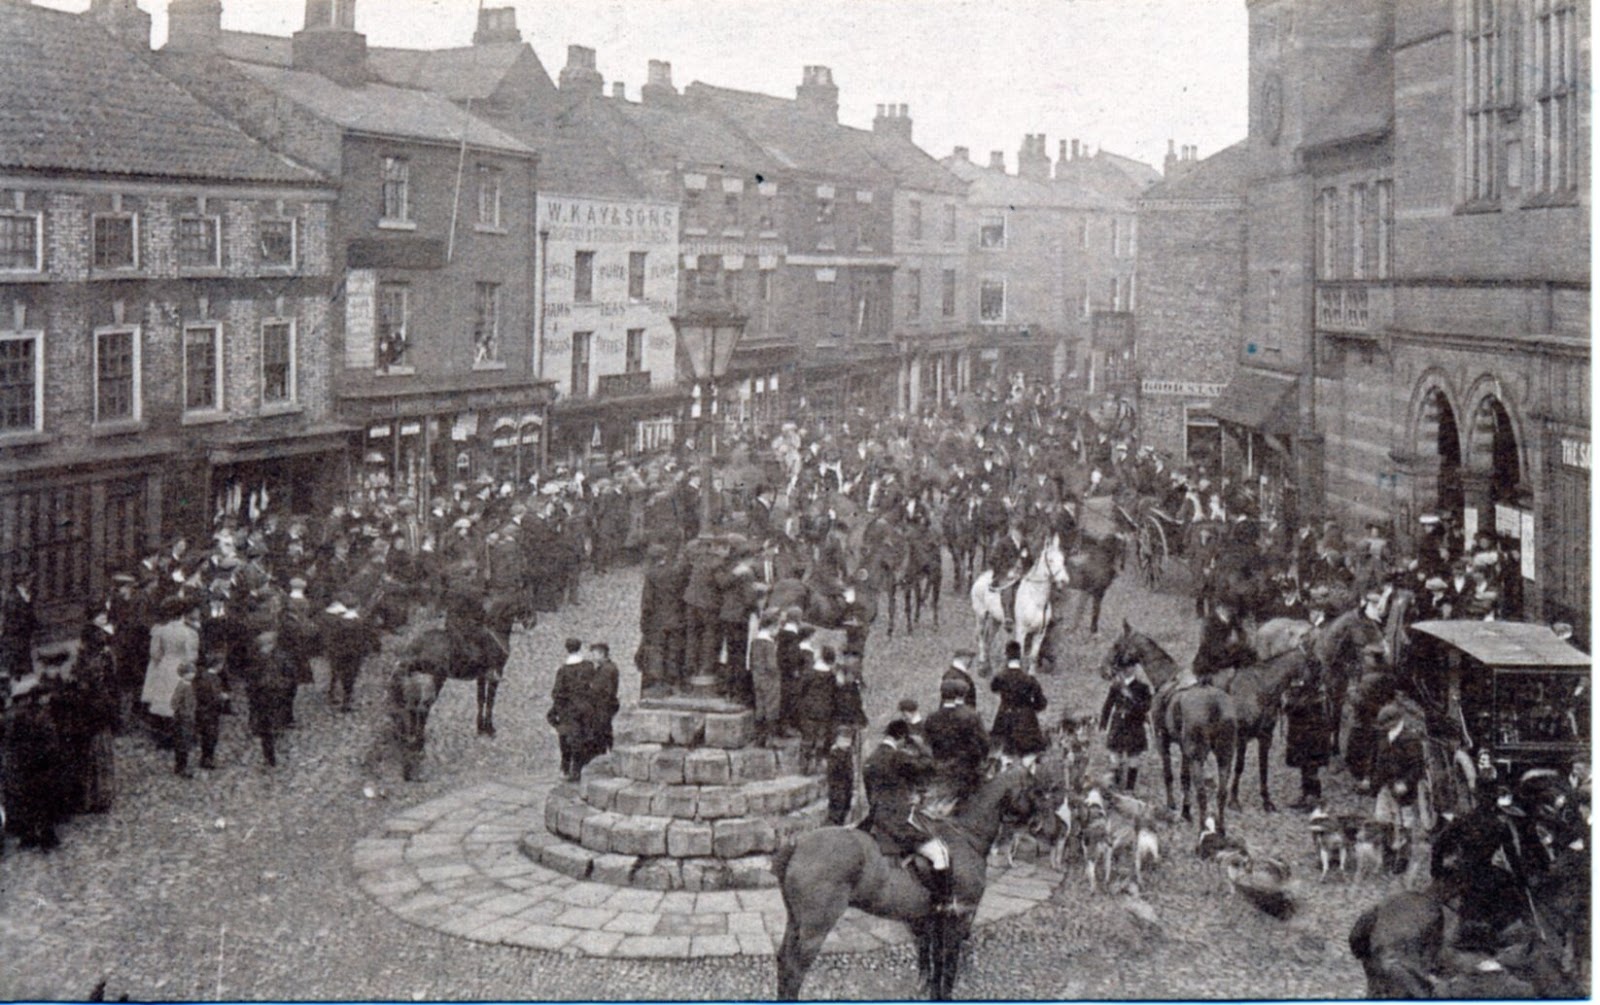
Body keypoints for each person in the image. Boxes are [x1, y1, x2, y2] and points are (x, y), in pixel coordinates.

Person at [860, 719, 946, 903]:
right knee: (939, 854)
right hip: (898, 819)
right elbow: (929, 768)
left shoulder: (871, 759)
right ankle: (941, 903)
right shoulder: (898, 757)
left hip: (876, 817)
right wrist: (920, 746)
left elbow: (870, 794)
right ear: (901, 738)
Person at [1371, 702, 1431, 874]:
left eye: (1386, 724)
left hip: (1403, 789)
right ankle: (1388, 855)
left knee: (1404, 823)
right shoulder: (1383, 736)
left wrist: (1406, 783)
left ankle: (1403, 859)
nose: (1383, 727)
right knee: (1383, 820)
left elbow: (1417, 767)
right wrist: (1372, 779)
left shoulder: (1410, 739)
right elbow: (1376, 760)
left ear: (1396, 720)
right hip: (1385, 785)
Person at [923, 677, 990, 802]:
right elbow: (983, 741)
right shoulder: (970, 715)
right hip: (966, 767)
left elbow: (927, 742)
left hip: (941, 765)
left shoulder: (932, 717)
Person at [143, 599, 199, 742]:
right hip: (182, 667)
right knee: (181, 699)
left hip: (165, 666)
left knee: (164, 699)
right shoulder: (189, 632)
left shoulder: (161, 631)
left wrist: (166, 658)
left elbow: (154, 653)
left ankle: (164, 734)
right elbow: (191, 655)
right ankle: (181, 735)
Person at [638, 544, 687, 697]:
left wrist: (644, 622)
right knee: (673, 651)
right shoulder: (675, 572)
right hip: (676, 618)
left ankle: (659, 684)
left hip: (657, 621)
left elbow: (647, 602)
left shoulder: (651, 575)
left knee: (658, 651)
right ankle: (673, 682)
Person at [1099, 655, 1153, 793]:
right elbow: (1108, 706)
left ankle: (1129, 789)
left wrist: (1131, 698)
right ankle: (1115, 788)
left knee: (1133, 758)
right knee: (1115, 758)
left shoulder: (1143, 688)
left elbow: (1146, 707)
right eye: (1124, 667)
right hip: (1118, 725)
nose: (1126, 670)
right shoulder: (1116, 687)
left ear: (1134, 668)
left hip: (1134, 725)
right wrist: (1103, 724)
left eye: (1129, 667)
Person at [244, 630, 297, 768]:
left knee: (271, 724)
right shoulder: (257, 659)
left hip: (275, 695)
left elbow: (290, 675)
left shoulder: (279, 657)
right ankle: (270, 755)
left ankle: (273, 749)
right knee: (266, 726)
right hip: (263, 696)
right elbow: (250, 679)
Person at [990, 641, 1049, 763]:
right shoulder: (1029, 679)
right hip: (1026, 720)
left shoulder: (1000, 677)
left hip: (1004, 717)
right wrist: (1031, 708)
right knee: (1028, 756)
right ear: (1020, 657)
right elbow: (1041, 703)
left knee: (1005, 754)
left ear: (1006, 657)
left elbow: (993, 688)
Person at [548, 638, 594, 782]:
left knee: (567, 738)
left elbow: (557, 693)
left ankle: (568, 769)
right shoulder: (588, 666)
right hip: (586, 708)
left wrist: (557, 708)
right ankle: (580, 769)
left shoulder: (563, 670)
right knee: (584, 737)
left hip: (569, 710)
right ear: (580, 648)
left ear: (567, 649)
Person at [1189, 598, 1253, 687]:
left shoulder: (1233, 619)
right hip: (1211, 664)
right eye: (1229, 610)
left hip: (1230, 657)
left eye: (1233, 610)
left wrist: (1242, 647)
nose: (1232, 612)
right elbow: (1215, 650)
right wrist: (1234, 653)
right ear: (1220, 607)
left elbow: (1243, 636)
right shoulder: (1210, 623)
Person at [796, 645, 839, 774]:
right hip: (825, 710)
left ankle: (805, 766)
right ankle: (818, 763)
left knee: (808, 737)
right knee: (821, 737)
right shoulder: (831, 676)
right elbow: (833, 693)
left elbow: (801, 689)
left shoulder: (810, 673)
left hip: (809, 709)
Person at [748, 610, 781, 746]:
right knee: (771, 707)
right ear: (772, 626)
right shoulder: (769, 644)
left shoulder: (755, 642)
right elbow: (772, 665)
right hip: (770, 679)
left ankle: (759, 737)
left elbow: (751, 660)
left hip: (757, 677)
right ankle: (770, 738)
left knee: (760, 706)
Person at [193, 652, 226, 771]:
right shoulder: (214, 679)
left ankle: (205, 757)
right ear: (218, 665)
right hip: (210, 711)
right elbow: (213, 696)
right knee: (211, 736)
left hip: (202, 710)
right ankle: (207, 758)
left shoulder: (202, 677)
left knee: (207, 735)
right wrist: (222, 697)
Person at [589, 641, 621, 754]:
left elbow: (603, 690)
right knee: (606, 732)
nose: (593, 656)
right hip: (604, 706)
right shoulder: (607, 668)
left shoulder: (606, 670)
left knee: (602, 734)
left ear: (602, 653)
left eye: (594, 653)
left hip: (602, 706)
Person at [170, 660, 197, 778]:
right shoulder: (182, 686)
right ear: (184, 674)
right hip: (183, 718)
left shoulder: (189, 685)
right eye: (190, 672)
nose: (193, 674)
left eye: (193, 672)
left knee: (185, 741)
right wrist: (181, 712)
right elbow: (174, 702)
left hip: (188, 717)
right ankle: (181, 767)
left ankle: (182, 765)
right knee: (182, 742)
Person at [825, 727, 856, 826]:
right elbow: (834, 773)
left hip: (846, 790)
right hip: (838, 791)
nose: (847, 742)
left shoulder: (847, 753)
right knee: (836, 816)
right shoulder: (835, 754)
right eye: (844, 739)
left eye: (848, 739)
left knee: (843, 814)